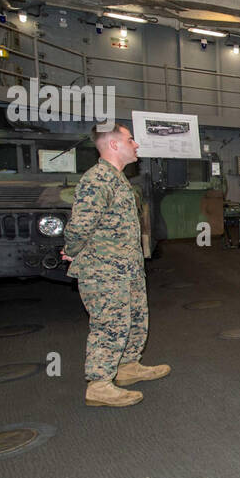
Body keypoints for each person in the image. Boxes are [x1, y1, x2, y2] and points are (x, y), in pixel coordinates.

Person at [62, 123, 170, 407]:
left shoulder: (118, 179)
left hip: (126, 268)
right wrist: (71, 251)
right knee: (110, 324)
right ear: (113, 145)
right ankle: (99, 384)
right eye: (130, 139)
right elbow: (79, 227)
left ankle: (127, 367)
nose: (136, 145)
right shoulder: (97, 180)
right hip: (104, 270)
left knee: (133, 318)